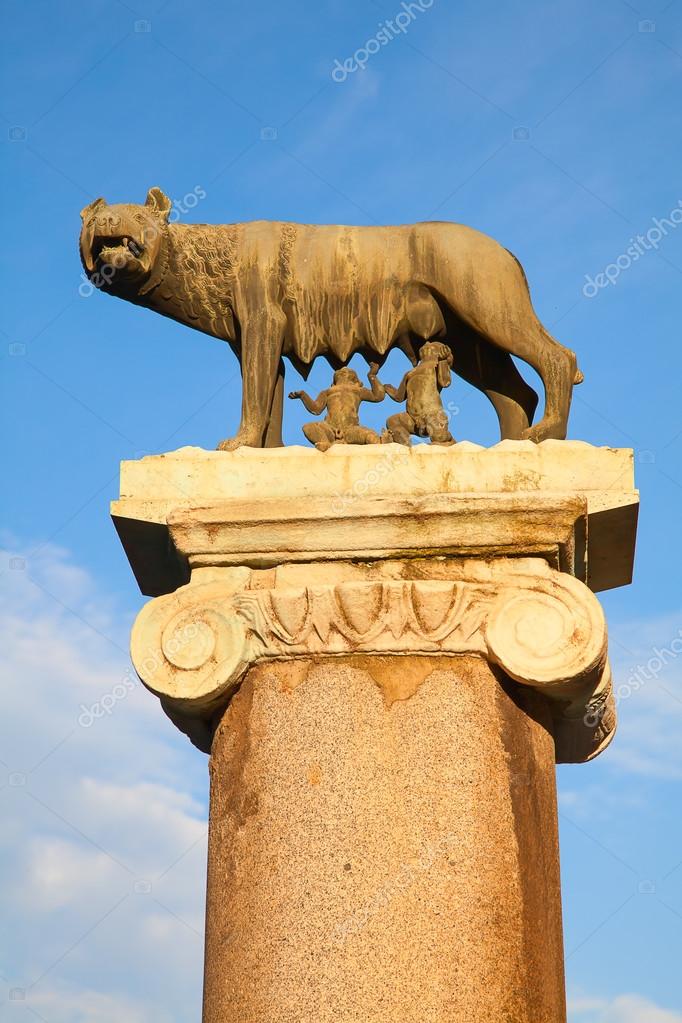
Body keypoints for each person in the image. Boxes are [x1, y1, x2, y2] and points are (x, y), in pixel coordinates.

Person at [289, 363, 385, 450]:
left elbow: (378, 396)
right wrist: (303, 395)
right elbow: (316, 409)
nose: (344, 370)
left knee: (369, 435)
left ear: (356, 380)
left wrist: (372, 375)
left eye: (347, 371)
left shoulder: (358, 390)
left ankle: (382, 442)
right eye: (341, 371)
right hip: (330, 429)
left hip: (350, 430)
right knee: (308, 427)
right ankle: (326, 443)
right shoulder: (327, 392)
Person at [384, 341, 455, 445]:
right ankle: (406, 448)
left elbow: (445, 382)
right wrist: (388, 389)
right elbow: (399, 397)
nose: (427, 343)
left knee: (439, 437)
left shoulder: (435, 365)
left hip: (432, 415)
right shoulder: (409, 373)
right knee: (392, 421)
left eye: (431, 346)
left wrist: (443, 361)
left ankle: (449, 439)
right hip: (412, 419)